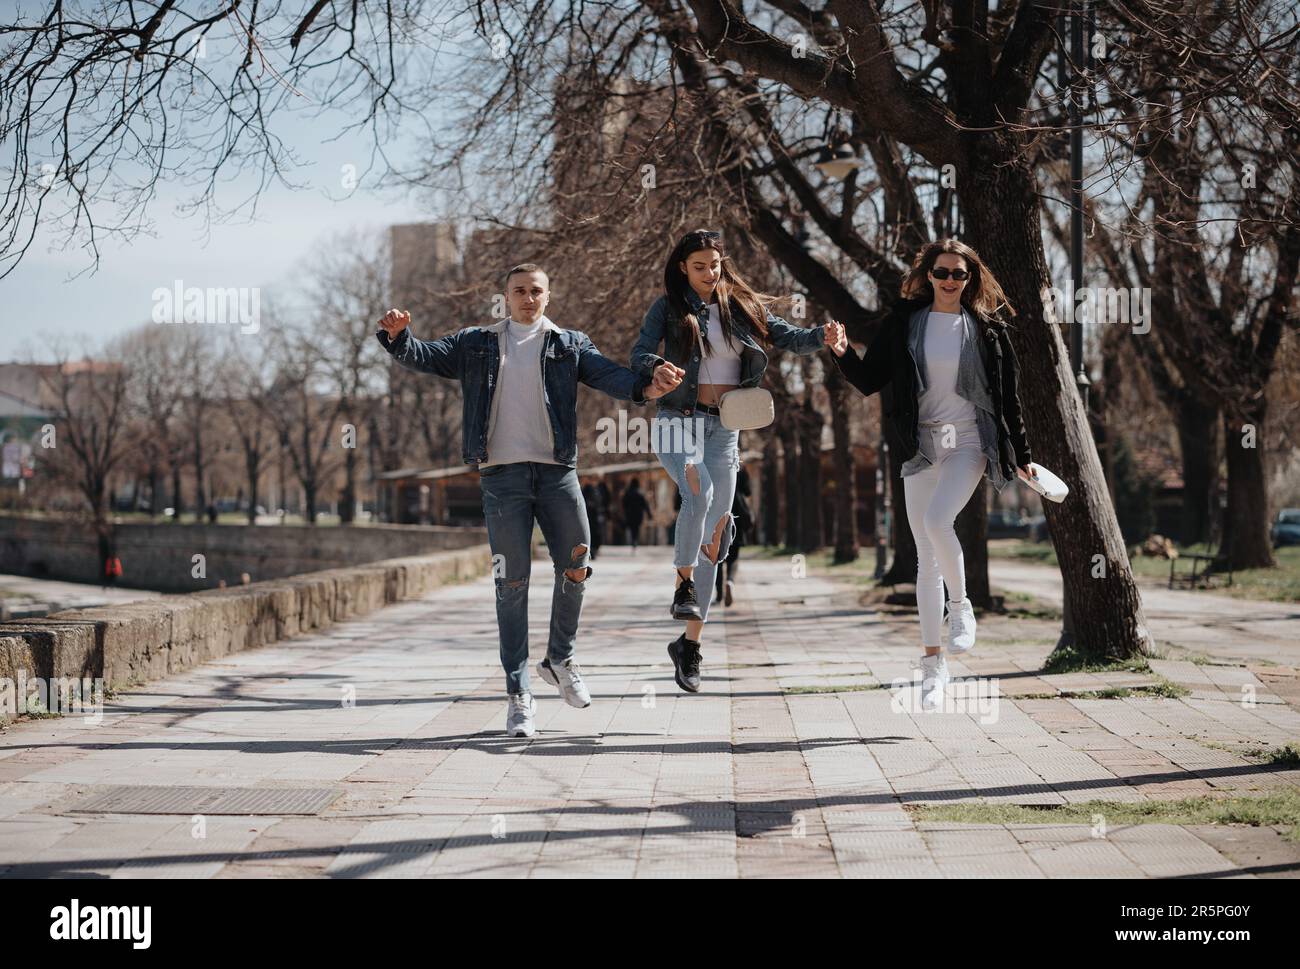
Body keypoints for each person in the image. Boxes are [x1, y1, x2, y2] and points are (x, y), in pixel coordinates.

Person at [376, 264, 684, 737]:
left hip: (558, 471)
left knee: (578, 560)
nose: (528, 298)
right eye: (519, 291)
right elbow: (425, 355)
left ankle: (560, 659)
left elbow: (610, 377)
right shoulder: (476, 342)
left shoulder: (569, 344)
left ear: (548, 294)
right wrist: (399, 337)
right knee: (512, 582)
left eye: (536, 290)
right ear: (506, 296)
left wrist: (647, 385)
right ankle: (518, 693)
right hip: (502, 477)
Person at [631, 229, 844, 693]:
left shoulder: (739, 305)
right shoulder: (667, 307)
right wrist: (655, 367)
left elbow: (788, 336)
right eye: (700, 265)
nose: (710, 272)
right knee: (699, 492)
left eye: (715, 263)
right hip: (676, 420)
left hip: (724, 427)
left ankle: (689, 647)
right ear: (683, 268)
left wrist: (823, 337)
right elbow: (639, 353)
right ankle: (682, 586)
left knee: (717, 532)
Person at [826, 239, 1034, 711]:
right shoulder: (905, 322)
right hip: (920, 445)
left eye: (959, 275)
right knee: (925, 558)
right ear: (928, 275)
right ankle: (933, 665)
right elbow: (868, 379)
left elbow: (1009, 398)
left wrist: (1021, 453)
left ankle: (961, 607)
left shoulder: (987, 330)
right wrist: (841, 351)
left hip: (968, 442)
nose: (949, 281)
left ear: (970, 279)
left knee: (938, 523)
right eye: (942, 273)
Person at [714, 463, 752, 607]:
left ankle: (719, 595)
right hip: (737, 514)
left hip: (719, 511)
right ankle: (730, 581)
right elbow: (748, 492)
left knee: (717, 557)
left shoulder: (716, 464)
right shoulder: (741, 468)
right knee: (734, 556)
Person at [620, 478, 652, 551]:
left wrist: (624, 512)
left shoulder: (627, 493)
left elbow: (624, 504)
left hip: (629, 514)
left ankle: (633, 540)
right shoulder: (639, 493)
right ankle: (634, 540)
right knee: (636, 528)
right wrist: (649, 514)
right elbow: (645, 504)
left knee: (632, 528)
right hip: (638, 515)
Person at [581, 481, 606, 559]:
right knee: (595, 536)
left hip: (587, 521)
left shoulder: (583, 499)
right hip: (594, 521)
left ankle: (591, 552)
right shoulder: (596, 497)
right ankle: (593, 551)